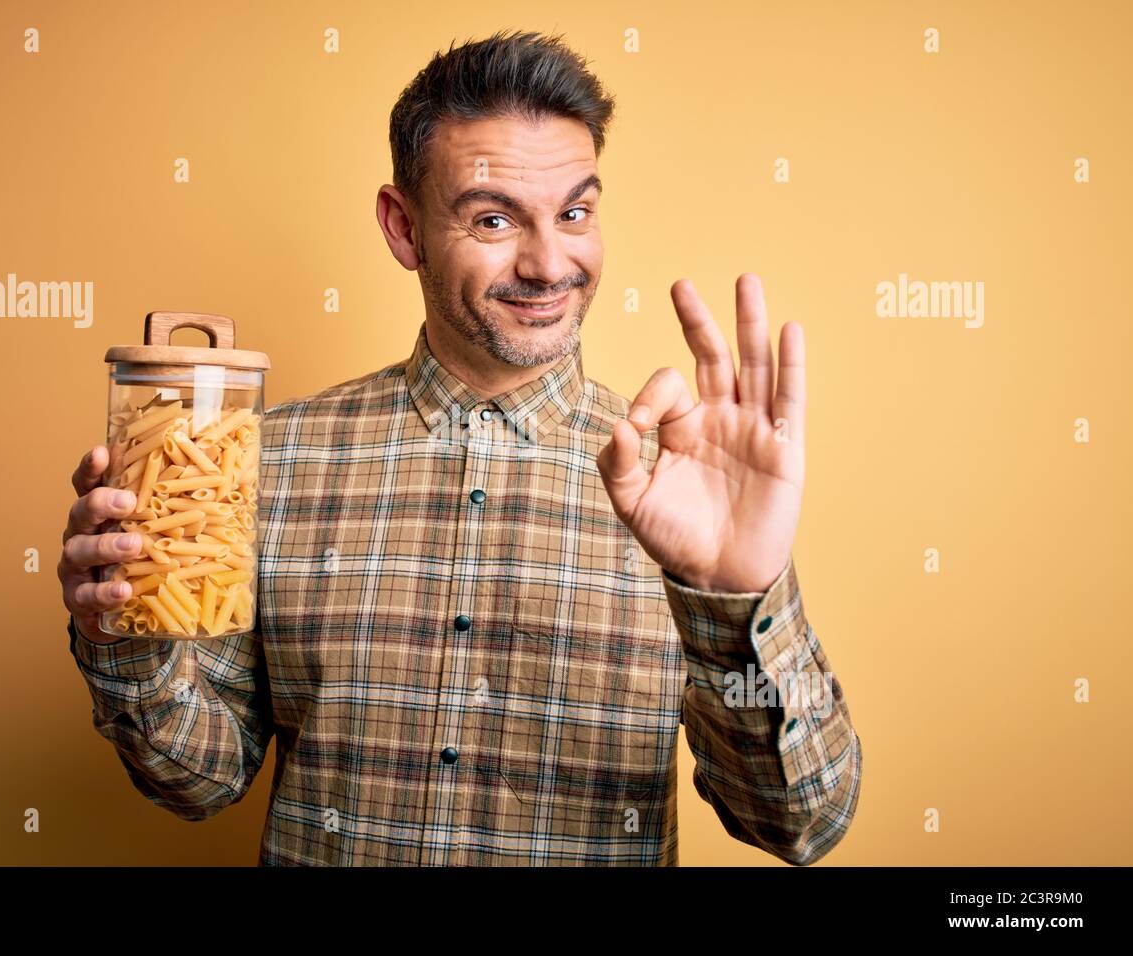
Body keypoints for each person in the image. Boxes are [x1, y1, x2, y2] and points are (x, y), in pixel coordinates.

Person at [58, 29, 861, 866]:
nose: (552, 264)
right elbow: (198, 780)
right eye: (493, 218)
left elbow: (800, 824)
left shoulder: (683, 485)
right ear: (404, 230)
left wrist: (734, 602)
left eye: (575, 212)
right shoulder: (268, 458)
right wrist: (122, 636)